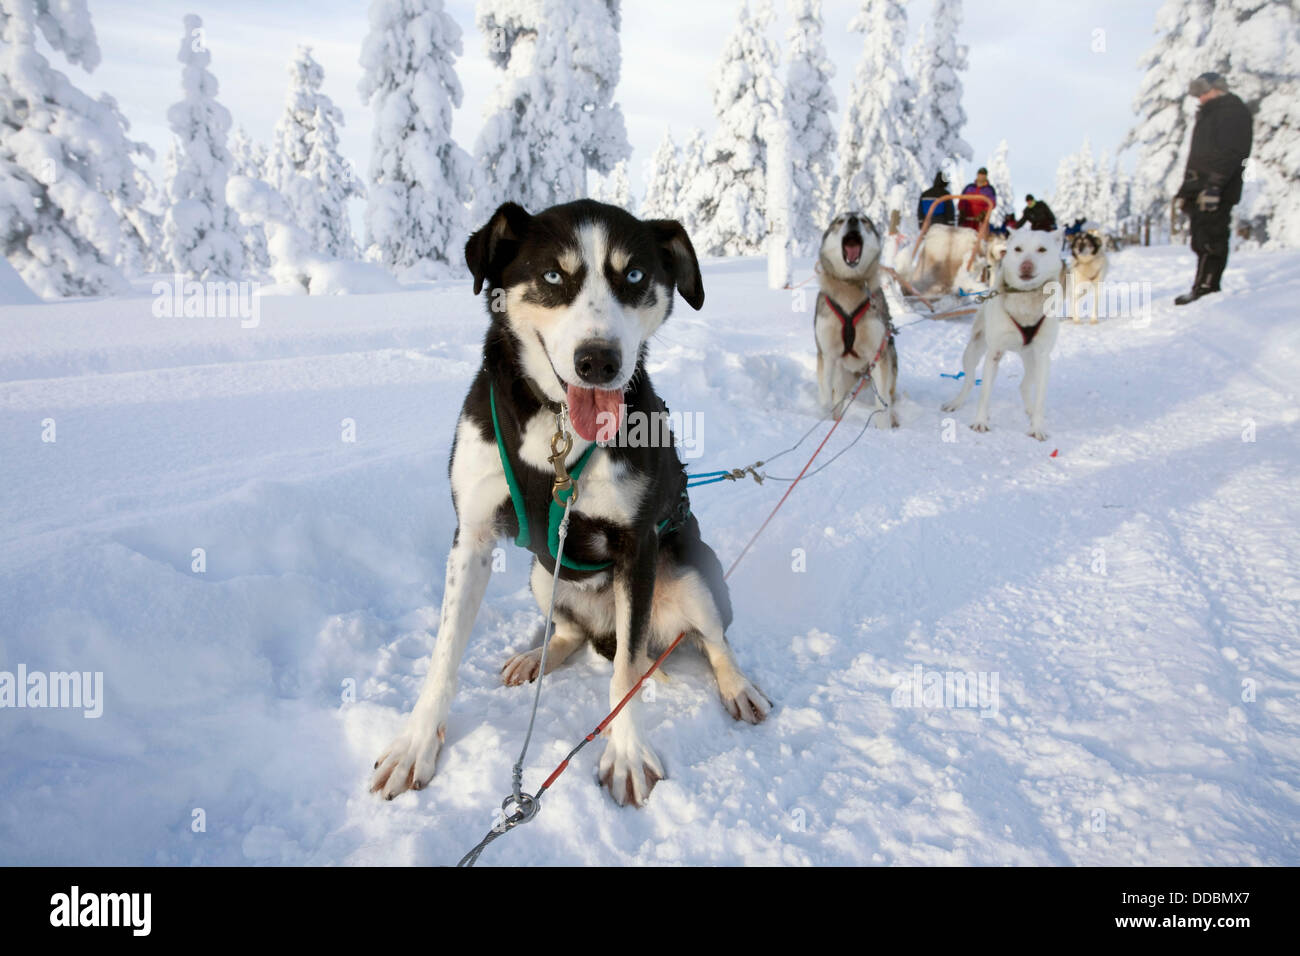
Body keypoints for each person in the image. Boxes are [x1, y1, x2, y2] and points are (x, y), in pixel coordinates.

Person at [1174, 71, 1253, 305]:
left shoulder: (1232, 112)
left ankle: (1208, 288)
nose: (1200, 98)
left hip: (1216, 189)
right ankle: (1201, 286)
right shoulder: (1210, 113)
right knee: (1200, 238)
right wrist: (1186, 190)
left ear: (1218, 89)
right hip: (1200, 187)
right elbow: (1199, 157)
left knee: (1212, 238)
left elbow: (1234, 153)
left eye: (1204, 92)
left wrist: (1214, 186)